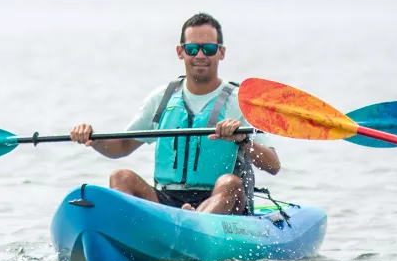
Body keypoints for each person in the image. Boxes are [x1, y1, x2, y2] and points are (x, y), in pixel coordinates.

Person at [68, 12, 280, 215]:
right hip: (167, 202)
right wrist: (92, 138)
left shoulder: (241, 103)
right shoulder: (161, 99)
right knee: (121, 177)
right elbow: (122, 147)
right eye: (191, 49)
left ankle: (194, 221)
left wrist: (243, 140)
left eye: (208, 48)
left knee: (230, 183)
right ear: (180, 52)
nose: (199, 55)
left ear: (221, 52)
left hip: (221, 201)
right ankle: (133, 232)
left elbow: (273, 165)